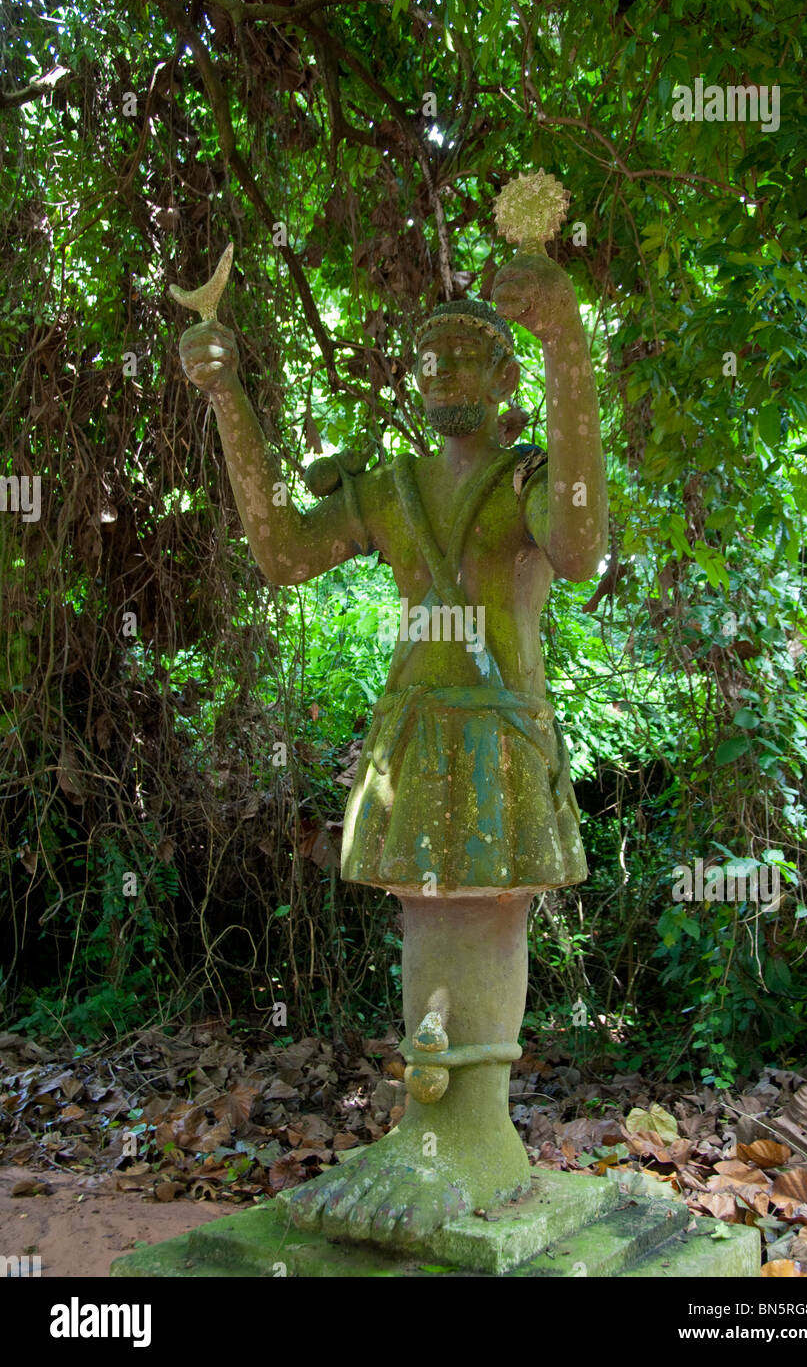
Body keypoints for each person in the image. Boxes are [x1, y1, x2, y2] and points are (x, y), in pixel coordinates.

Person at [178, 249, 607, 1245]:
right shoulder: (386, 490)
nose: (443, 375)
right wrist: (226, 395)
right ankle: (432, 1126)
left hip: (497, 732)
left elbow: (581, 550)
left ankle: (474, 1133)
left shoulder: (525, 482)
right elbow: (284, 554)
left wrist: (570, 345)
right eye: (428, 362)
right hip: (414, 733)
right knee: (427, 903)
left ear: (508, 381)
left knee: (491, 901)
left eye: (466, 358)